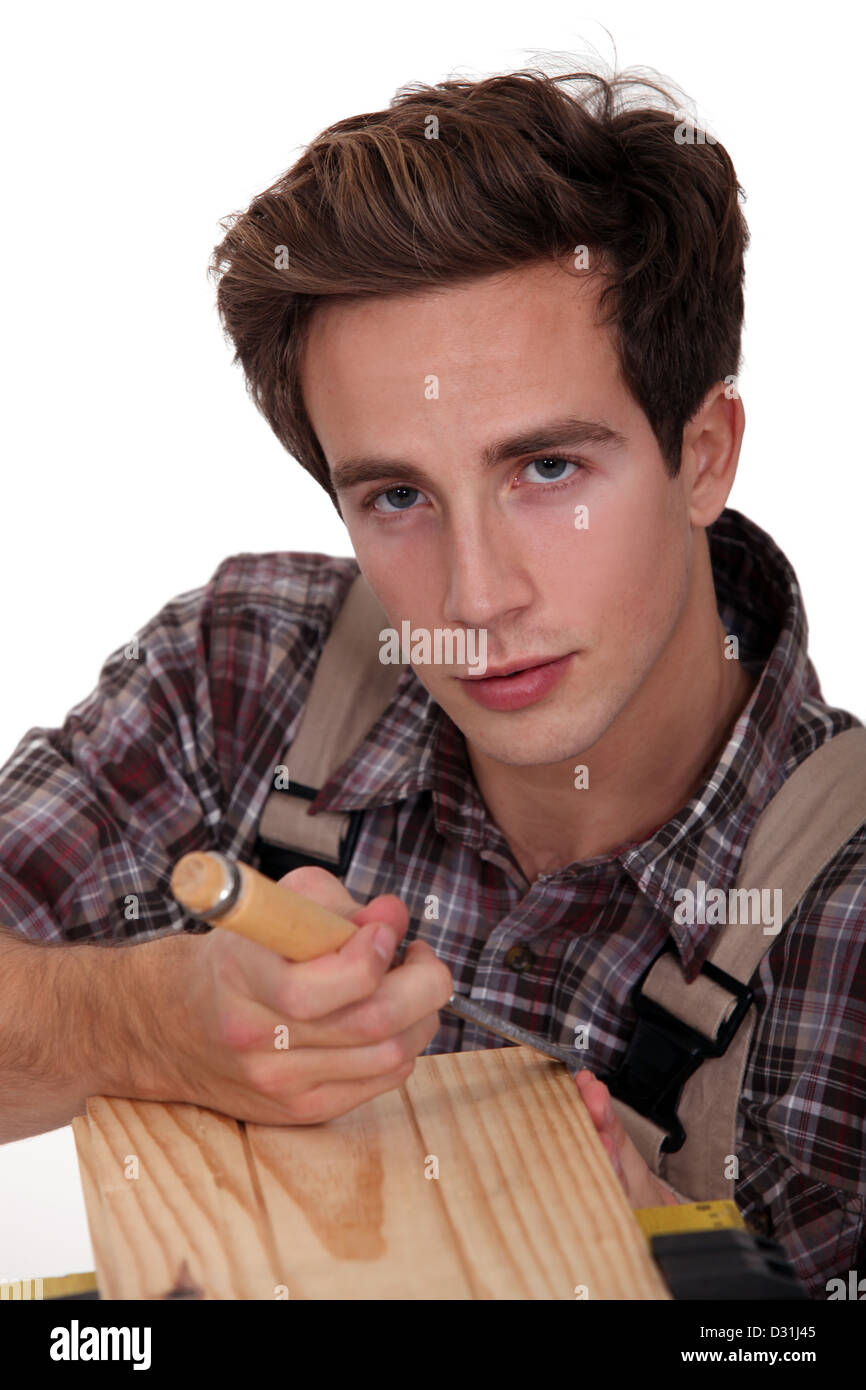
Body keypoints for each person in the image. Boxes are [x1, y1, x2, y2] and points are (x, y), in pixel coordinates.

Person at [0, 66, 862, 1300]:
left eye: (548, 469)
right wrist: (139, 1021)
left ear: (701, 454)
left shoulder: (845, 912)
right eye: (395, 496)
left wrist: (700, 1283)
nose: (472, 599)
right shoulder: (240, 672)